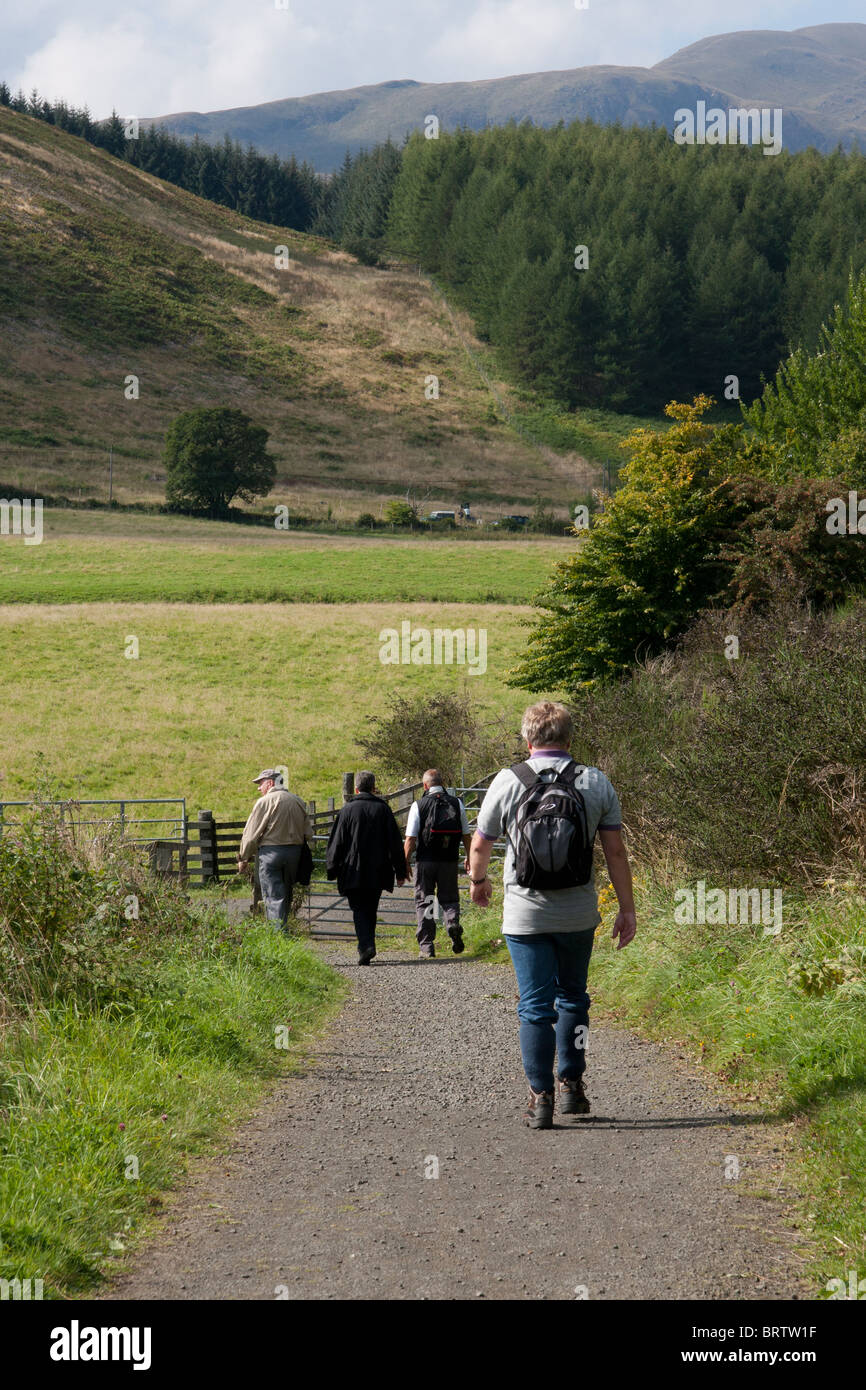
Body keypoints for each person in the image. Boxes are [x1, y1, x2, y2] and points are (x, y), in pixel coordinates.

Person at [467, 700, 637, 1129]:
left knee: (535, 1005)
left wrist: (478, 881)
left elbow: (480, 845)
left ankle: (539, 1096)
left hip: (525, 916)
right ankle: (571, 1087)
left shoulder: (508, 781)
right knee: (573, 999)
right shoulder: (594, 781)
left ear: (527, 740)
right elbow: (615, 852)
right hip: (578, 913)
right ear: (568, 738)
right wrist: (626, 908)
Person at [325, 771, 408, 965]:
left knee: (359, 908)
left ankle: (365, 946)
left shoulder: (347, 811)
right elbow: (395, 843)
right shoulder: (384, 810)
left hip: (353, 868)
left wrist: (332, 868)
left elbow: (336, 842)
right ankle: (367, 944)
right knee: (371, 907)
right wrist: (400, 871)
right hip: (379, 869)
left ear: (356, 788)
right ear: (373, 787)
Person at [403, 768, 472, 958]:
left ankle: (427, 945)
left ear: (425, 785)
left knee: (426, 901)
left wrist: (405, 862)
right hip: (449, 861)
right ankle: (452, 924)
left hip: (425, 861)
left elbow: (410, 839)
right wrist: (469, 857)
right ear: (443, 783)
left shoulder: (419, 805)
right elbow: (466, 834)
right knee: (450, 898)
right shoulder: (456, 803)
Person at [238, 768, 313, 928]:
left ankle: (278, 935)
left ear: (271, 783)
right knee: (286, 893)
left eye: (260, 783)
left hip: (271, 853)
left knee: (272, 896)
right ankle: (284, 927)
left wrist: (243, 857)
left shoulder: (265, 802)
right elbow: (309, 833)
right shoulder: (297, 800)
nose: (259, 788)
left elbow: (251, 834)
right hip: (295, 853)